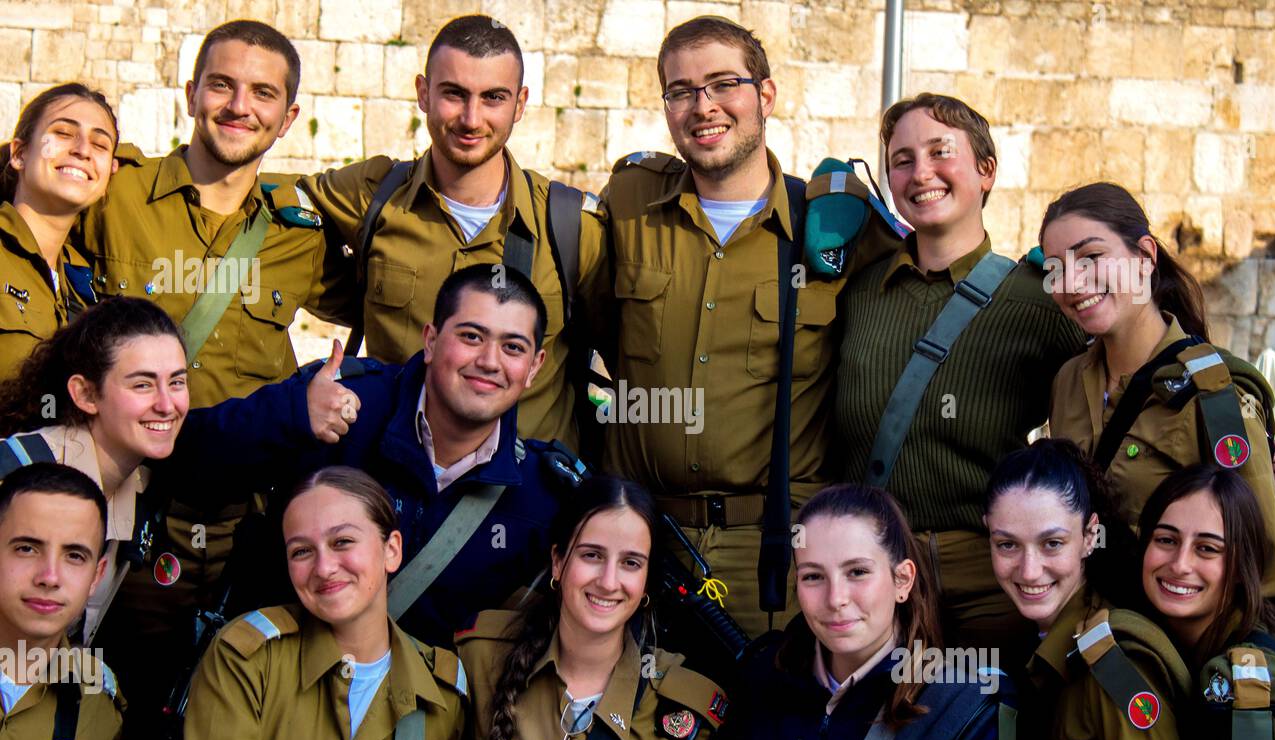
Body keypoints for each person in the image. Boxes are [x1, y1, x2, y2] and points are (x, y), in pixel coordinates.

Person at [76, 19, 335, 740]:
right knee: (92, 723)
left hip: (234, 531)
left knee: (215, 737)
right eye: (221, 84)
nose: (237, 105)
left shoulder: (305, 232)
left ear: (289, 118)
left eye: (263, 93)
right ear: (191, 92)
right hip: (116, 515)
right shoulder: (115, 192)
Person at [599, 16, 895, 638]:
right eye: (680, 90)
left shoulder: (835, 229)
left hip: (779, 555)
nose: (702, 106)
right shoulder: (628, 206)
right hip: (643, 544)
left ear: (765, 96)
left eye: (723, 84)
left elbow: (922, 296)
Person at [168, 264, 567, 646]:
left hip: (415, 711)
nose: (489, 361)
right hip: (271, 691)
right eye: (471, 337)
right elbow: (186, 463)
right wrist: (291, 415)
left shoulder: (541, 496)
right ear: (430, 341)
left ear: (534, 368)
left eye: (513, 347)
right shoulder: (339, 403)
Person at [837, 94, 1086, 656]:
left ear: (986, 171)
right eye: (901, 160)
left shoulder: (1040, 298)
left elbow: (1125, 386)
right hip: (876, 576)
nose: (920, 172)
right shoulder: (857, 293)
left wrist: (1246, 427)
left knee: (990, 733)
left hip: (992, 581)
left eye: (939, 151)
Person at [299, 15, 606, 450]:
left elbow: (621, 347)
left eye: (493, 98)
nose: (471, 118)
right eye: (454, 94)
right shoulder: (372, 196)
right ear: (424, 93)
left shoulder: (573, 226)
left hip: (528, 500)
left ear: (519, 104)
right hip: (395, 480)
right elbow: (262, 208)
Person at [1041, 181, 1275, 617]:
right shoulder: (1067, 380)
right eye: (1056, 268)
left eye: (1091, 258)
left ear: (1144, 257)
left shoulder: (1217, 396)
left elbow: (1272, 573)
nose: (1073, 282)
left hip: (1174, 657)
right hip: (1080, 641)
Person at [172, 466, 466, 740]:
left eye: (342, 541)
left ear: (392, 551)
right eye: (301, 551)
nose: (324, 567)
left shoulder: (441, 697)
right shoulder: (247, 658)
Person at [734, 483, 1021, 740]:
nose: (835, 599)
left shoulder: (966, 705)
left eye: (857, 572)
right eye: (813, 576)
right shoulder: (763, 679)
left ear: (902, 580)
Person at [456, 473, 728, 740]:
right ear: (558, 561)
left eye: (630, 563)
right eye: (592, 555)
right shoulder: (482, 661)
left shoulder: (685, 702)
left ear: (646, 582)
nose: (608, 581)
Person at [985, 438, 1191, 740]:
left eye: (1052, 544)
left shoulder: (1115, 665)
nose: (1029, 571)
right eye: (1007, 545)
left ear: (1090, 537)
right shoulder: (1020, 648)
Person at [0, 297, 188, 648]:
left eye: (176, 382)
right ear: (85, 394)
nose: (167, 405)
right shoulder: (14, 471)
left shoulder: (139, 486)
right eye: (143, 385)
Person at [1138, 465, 1275, 740]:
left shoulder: (1239, 691)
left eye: (1207, 549)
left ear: (1243, 568)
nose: (1180, 564)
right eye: (1166, 540)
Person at [0, 463, 130, 740]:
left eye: (75, 556)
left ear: (96, 575)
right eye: (27, 548)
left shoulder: (94, 706)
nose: (50, 577)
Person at [0, 83, 116, 378]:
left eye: (100, 145)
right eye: (63, 134)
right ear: (20, 154)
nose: (82, 151)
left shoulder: (86, 283)